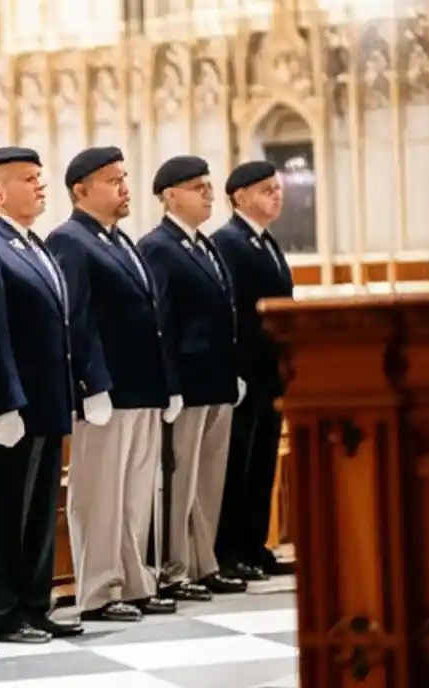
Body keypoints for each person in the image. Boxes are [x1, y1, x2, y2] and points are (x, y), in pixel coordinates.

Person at [44, 146, 181, 622]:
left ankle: (133, 578)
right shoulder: (70, 240)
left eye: (125, 178)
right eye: (112, 181)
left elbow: (153, 319)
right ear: (82, 189)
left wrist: (167, 384)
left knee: (135, 492)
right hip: (108, 390)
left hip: (142, 386)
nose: (125, 188)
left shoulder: (121, 242)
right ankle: (100, 589)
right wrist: (91, 383)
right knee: (100, 492)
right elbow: (76, 320)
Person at [0, 147, 86, 643]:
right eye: (29, 179)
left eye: (40, 178)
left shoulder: (32, 244)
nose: (40, 186)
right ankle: (5, 611)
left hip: (47, 399)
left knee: (39, 508)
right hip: (14, 405)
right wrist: (2, 402)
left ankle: (36, 604)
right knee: (4, 509)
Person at [137, 156, 249, 600]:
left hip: (217, 378)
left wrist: (234, 370)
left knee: (208, 480)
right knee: (179, 480)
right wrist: (171, 384)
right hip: (188, 380)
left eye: (208, 186)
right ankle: (174, 567)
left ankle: (205, 562)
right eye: (197, 187)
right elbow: (162, 320)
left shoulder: (203, 244)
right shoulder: (158, 246)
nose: (208, 194)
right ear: (170, 196)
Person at [211, 160, 297, 581]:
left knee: (262, 461)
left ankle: (254, 544)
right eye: (266, 189)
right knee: (238, 465)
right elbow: (229, 312)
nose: (275, 196)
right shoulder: (228, 242)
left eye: (278, 189)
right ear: (239, 196)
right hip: (245, 370)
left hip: (270, 371)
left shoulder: (265, 242)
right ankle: (231, 549)